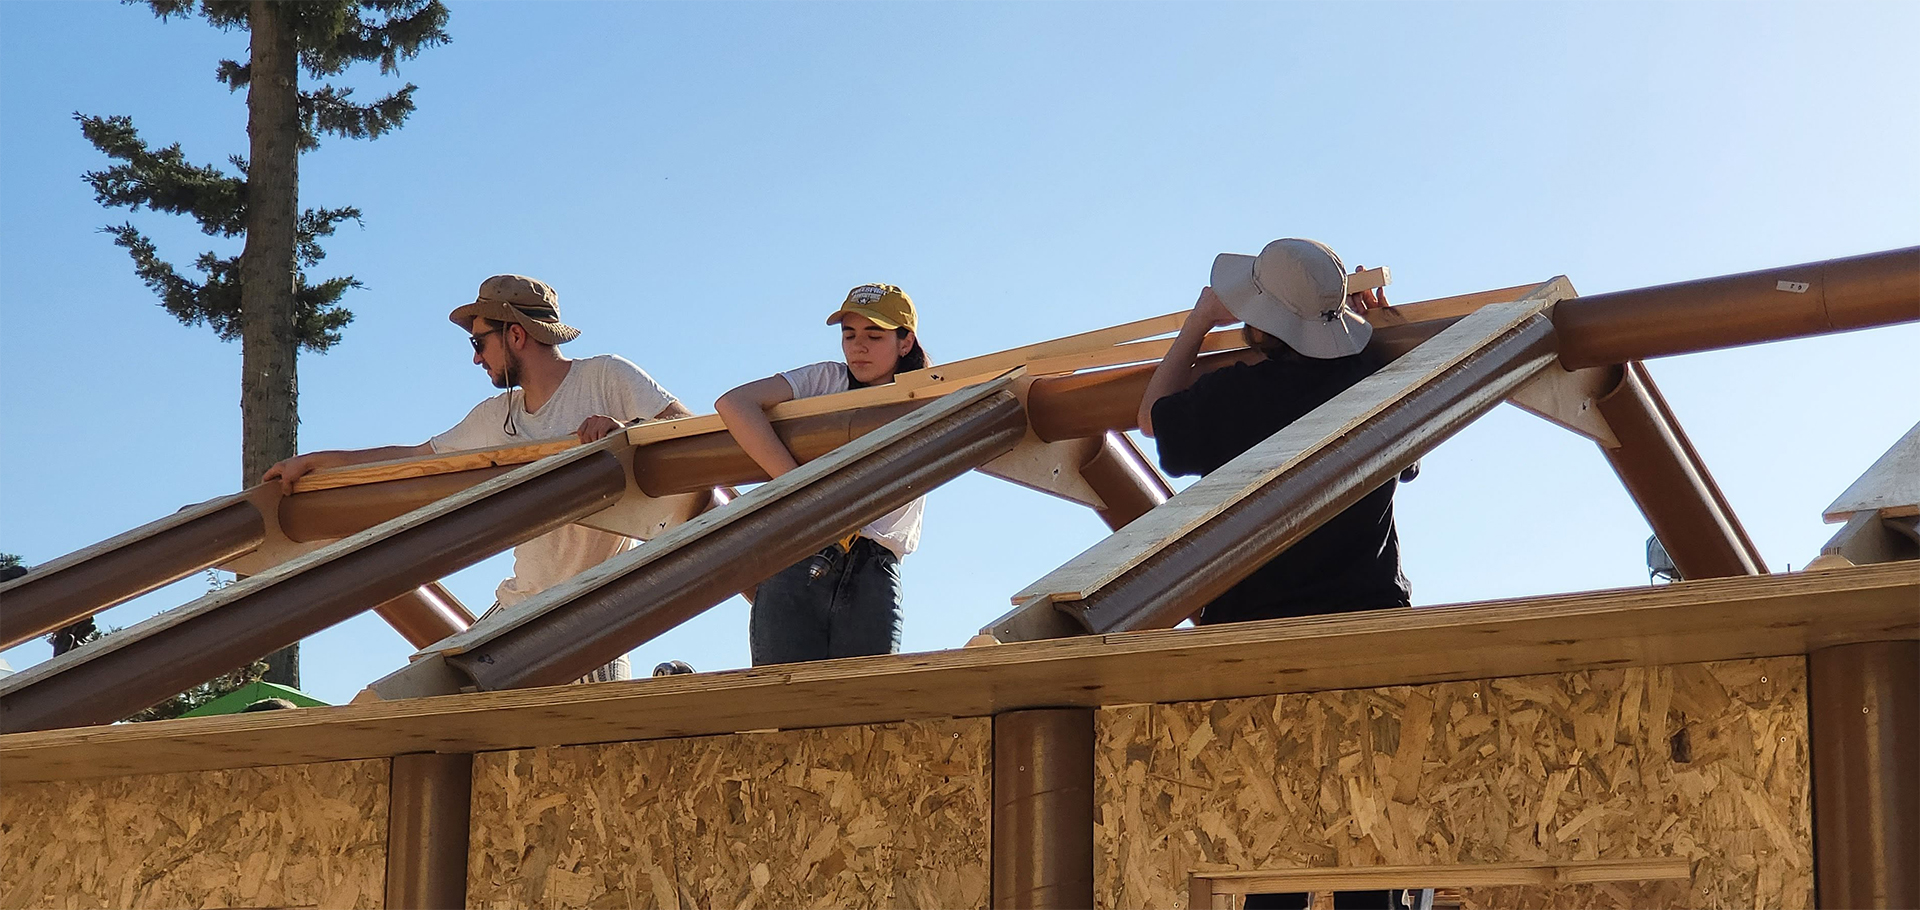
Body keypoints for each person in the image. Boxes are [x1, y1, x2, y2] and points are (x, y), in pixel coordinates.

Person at [262, 274, 692, 681]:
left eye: (479, 341)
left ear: (516, 335)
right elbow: (415, 458)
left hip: (597, 614)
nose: (475, 357)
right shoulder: (494, 417)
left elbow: (688, 432)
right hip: (521, 610)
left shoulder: (605, 378)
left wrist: (627, 431)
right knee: (424, 693)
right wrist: (319, 461)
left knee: (601, 739)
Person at [1138, 238, 1411, 626]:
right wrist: (1387, 339)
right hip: (1372, 623)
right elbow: (1408, 458)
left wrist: (1197, 323)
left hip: (1254, 633)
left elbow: (1151, 416)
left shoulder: (1232, 396)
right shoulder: (1373, 383)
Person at [714, 283, 930, 666]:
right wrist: (801, 486)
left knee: (864, 707)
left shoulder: (928, 394)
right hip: (799, 548)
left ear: (905, 342)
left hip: (874, 564)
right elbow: (734, 403)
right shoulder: (825, 380)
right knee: (783, 701)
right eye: (849, 335)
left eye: (874, 335)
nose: (858, 346)